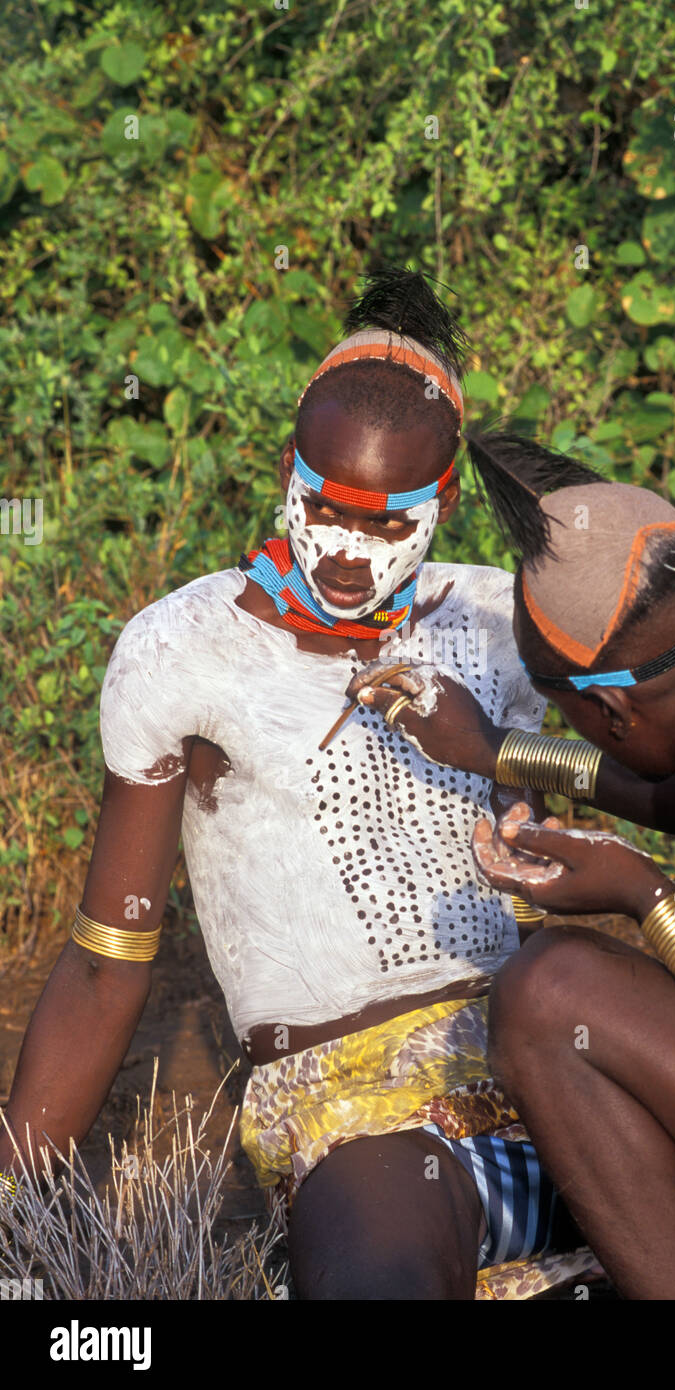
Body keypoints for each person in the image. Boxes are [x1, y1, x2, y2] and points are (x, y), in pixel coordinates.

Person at [1, 275, 613, 1301]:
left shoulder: (499, 622)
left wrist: (506, 758)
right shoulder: (186, 650)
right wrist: (13, 1201)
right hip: (355, 1117)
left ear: (445, 503)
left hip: (549, 1057)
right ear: (288, 471)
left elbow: (664, 773)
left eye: (386, 525)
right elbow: (109, 964)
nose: (344, 550)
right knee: (380, 1267)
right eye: (324, 509)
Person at [348, 430, 675, 1299]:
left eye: (573, 720)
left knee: (552, 993)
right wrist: (501, 750)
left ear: (613, 710)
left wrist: (650, 900)